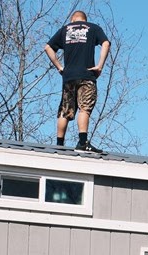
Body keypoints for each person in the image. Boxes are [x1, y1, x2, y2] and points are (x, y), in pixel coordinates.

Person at [44, 11, 110, 153]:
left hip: (69, 76)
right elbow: (106, 43)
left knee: (65, 109)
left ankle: (59, 144)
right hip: (86, 74)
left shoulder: (65, 30)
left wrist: (60, 67)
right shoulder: (93, 28)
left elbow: (47, 47)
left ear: (72, 19)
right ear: (85, 20)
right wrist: (99, 66)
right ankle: (82, 142)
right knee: (84, 108)